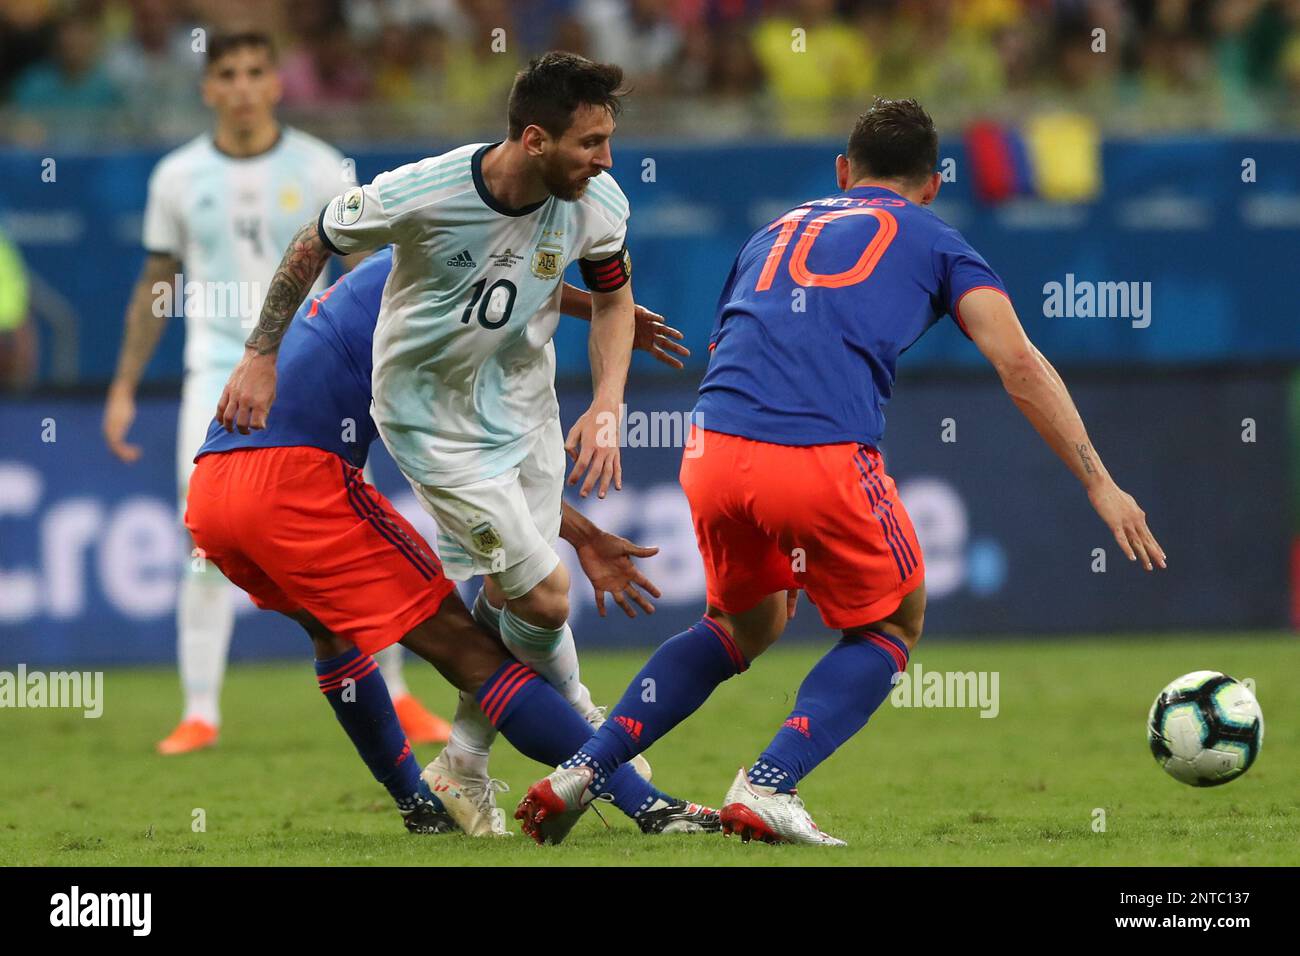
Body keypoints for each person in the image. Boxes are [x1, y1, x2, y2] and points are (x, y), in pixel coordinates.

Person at [517, 97, 1168, 846]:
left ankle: (585, 767)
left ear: (842, 170)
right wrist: (1099, 481)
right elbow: (1019, 363)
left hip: (712, 449)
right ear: (933, 183)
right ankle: (768, 784)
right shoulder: (938, 239)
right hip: (817, 455)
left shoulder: (774, 230)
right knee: (894, 620)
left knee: (741, 622)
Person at [216, 53, 661, 836]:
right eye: (590, 142)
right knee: (545, 595)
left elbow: (614, 297)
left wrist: (609, 403)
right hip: (430, 423)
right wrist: (260, 355)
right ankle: (592, 736)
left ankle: (462, 765)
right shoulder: (427, 194)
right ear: (533, 139)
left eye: (608, 141)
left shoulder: (598, 201)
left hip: (527, 409)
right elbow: (313, 237)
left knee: (507, 599)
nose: (606, 160)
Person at [186, 246, 714, 836]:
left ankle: (419, 804)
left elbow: (500, 280)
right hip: (295, 483)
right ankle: (647, 805)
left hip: (213, 486)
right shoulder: (432, 310)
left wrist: (595, 308)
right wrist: (597, 309)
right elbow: (467, 473)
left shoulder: (402, 265)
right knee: (473, 655)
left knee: (331, 631)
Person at [102, 30, 448, 755]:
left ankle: (403, 694)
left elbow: (367, 276)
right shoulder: (175, 176)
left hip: (316, 375)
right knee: (201, 540)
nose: (242, 85)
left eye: (256, 70)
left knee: (357, 532)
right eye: (226, 73)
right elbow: (156, 283)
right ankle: (200, 710)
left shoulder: (322, 166)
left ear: (276, 83)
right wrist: (126, 386)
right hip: (214, 375)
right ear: (208, 88)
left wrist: (396, 371)